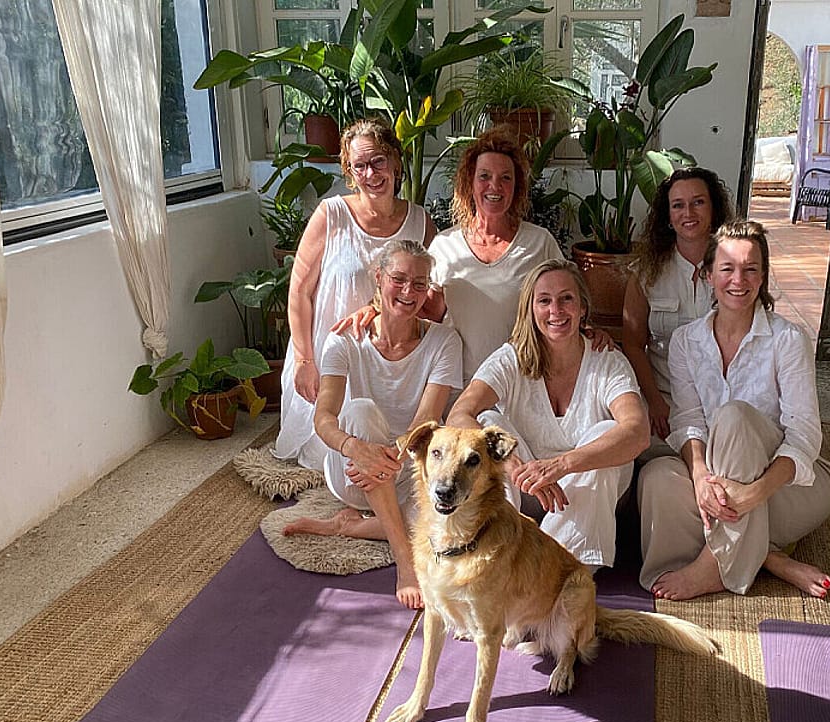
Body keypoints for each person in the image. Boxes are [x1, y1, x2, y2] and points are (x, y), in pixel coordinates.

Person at [637, 220, 830, 600]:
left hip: (785, 491)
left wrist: (754, 493)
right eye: (727, 268)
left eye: (750, 269)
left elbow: (805, 436)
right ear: (708, 275)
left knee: (734, 416)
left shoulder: (788, 340)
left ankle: (711, 566)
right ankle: (767, 558)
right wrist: (698, 476)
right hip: (722, 486)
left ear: (763, 277)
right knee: (658, 477)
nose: (738, 280)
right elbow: (688, 421)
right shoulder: (685, 342)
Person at [283, 241, 462, 610]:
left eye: (419, 283)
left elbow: (425, 422)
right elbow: (324, 417)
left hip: (407, 467)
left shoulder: (444, 341)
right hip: (354, 470)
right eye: (398, 279)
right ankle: (403, 560)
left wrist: (392, 455)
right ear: (378, 279)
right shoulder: (344, 339)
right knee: (361, 410)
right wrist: (355, 447)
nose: (408, 291)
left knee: (450, 524)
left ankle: (347, 527)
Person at [448, 259, 649, 569]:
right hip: (526, 492)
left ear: (583, 308)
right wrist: (517, 466)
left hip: (590, 497)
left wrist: (561, 466)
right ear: (531, 309)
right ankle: (494, 550)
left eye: (566, 298)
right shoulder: (511, 358)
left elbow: (637, 431)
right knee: (488, 424)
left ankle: (549, 570)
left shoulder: (607, 360)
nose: (556, 310)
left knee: (606, 431)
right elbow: (460, 414)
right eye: (544, 300)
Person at [273, 118, 436, 469]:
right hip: (324, 355)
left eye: (378, 161)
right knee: (325, 460)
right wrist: (304, 360)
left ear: (395, 160)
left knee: (386, 449)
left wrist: (379, 310)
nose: (371, 173)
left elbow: (427, 294)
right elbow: (299, 291)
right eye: (359, 165)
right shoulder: (331, 214)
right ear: (349, 171)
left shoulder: (421, 223)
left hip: (384, 361)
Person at [423, 127, 565, 383]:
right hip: (455, 386)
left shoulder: (539, 242)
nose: (495, 186)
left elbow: (567, 303)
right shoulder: (444, 245)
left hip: (519, 385)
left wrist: (592, 332)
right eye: (484, 176)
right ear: (470, 182)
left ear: (517, 185)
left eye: (506, 178)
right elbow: (421, 315)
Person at [621, 168, 735, 449]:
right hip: (665, 397)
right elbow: (633, 345)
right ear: (668, 217)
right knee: (641, 450)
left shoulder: (738, 268)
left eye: (698, 202)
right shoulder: (646, 273)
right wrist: (656, 403)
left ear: (714, 209)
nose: (688, 213)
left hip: (725, 399)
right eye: (678, 205)